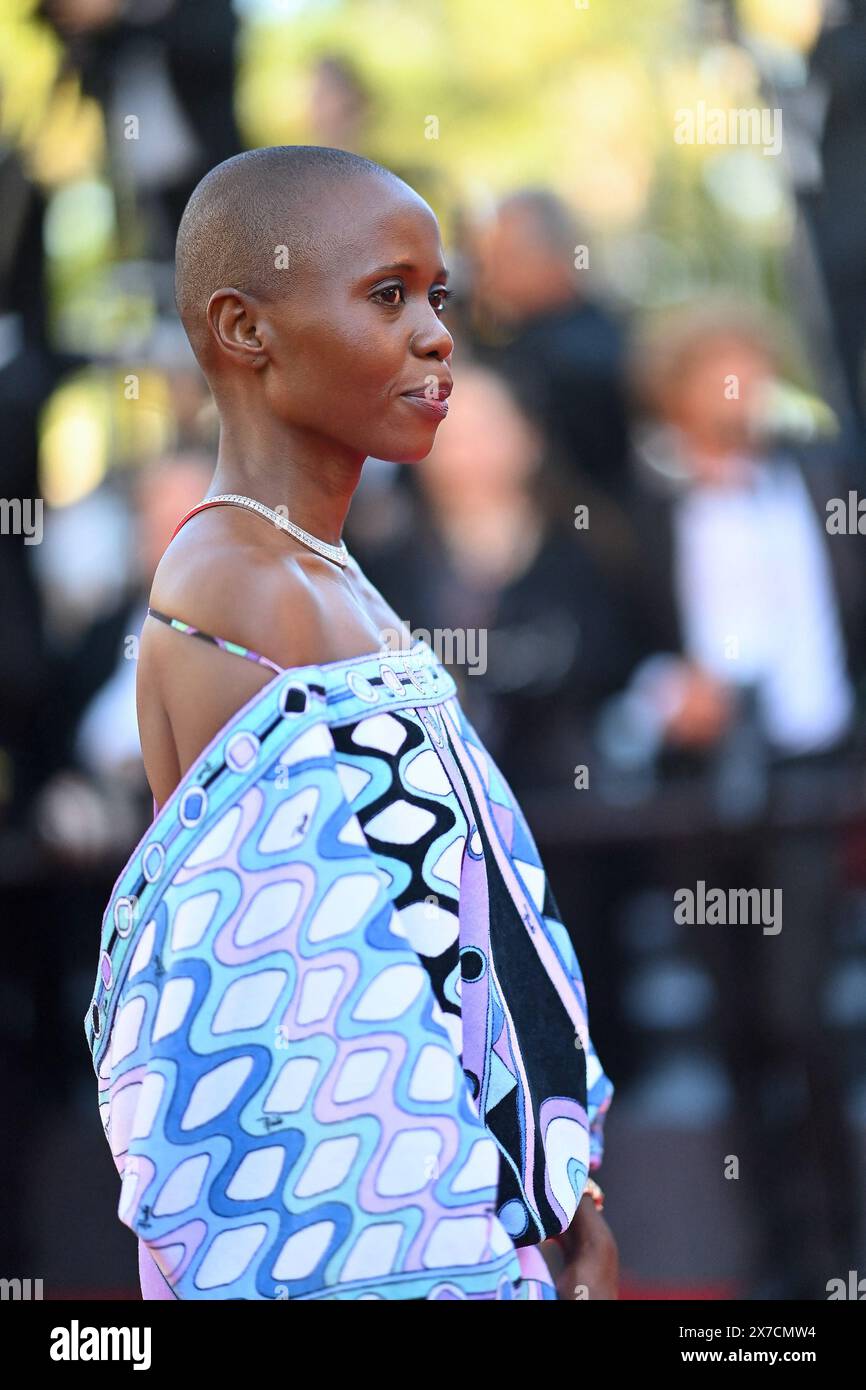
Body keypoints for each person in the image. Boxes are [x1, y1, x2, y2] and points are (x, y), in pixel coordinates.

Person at [84, 146, 617, 1301]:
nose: (435, 334)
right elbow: (308, 1045)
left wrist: (562, 1196)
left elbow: (450, 918)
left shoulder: (324, 574)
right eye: (387, 296)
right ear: (245, 329)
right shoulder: (238, 581)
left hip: (485, 1207)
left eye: (439, 297)